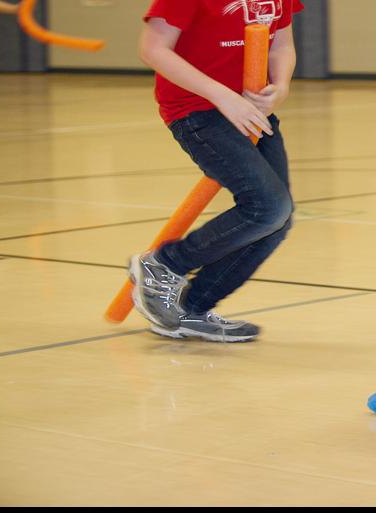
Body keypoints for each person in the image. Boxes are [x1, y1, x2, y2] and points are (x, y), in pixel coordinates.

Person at [127, 0, 301, 342]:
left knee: (277, 219)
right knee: (267, 208)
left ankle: (190, 309)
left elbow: (282, 42)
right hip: (197, 111)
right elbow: (152, 49)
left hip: (251, 111)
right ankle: (164, 265)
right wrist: (222, 96)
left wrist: (280, 87)